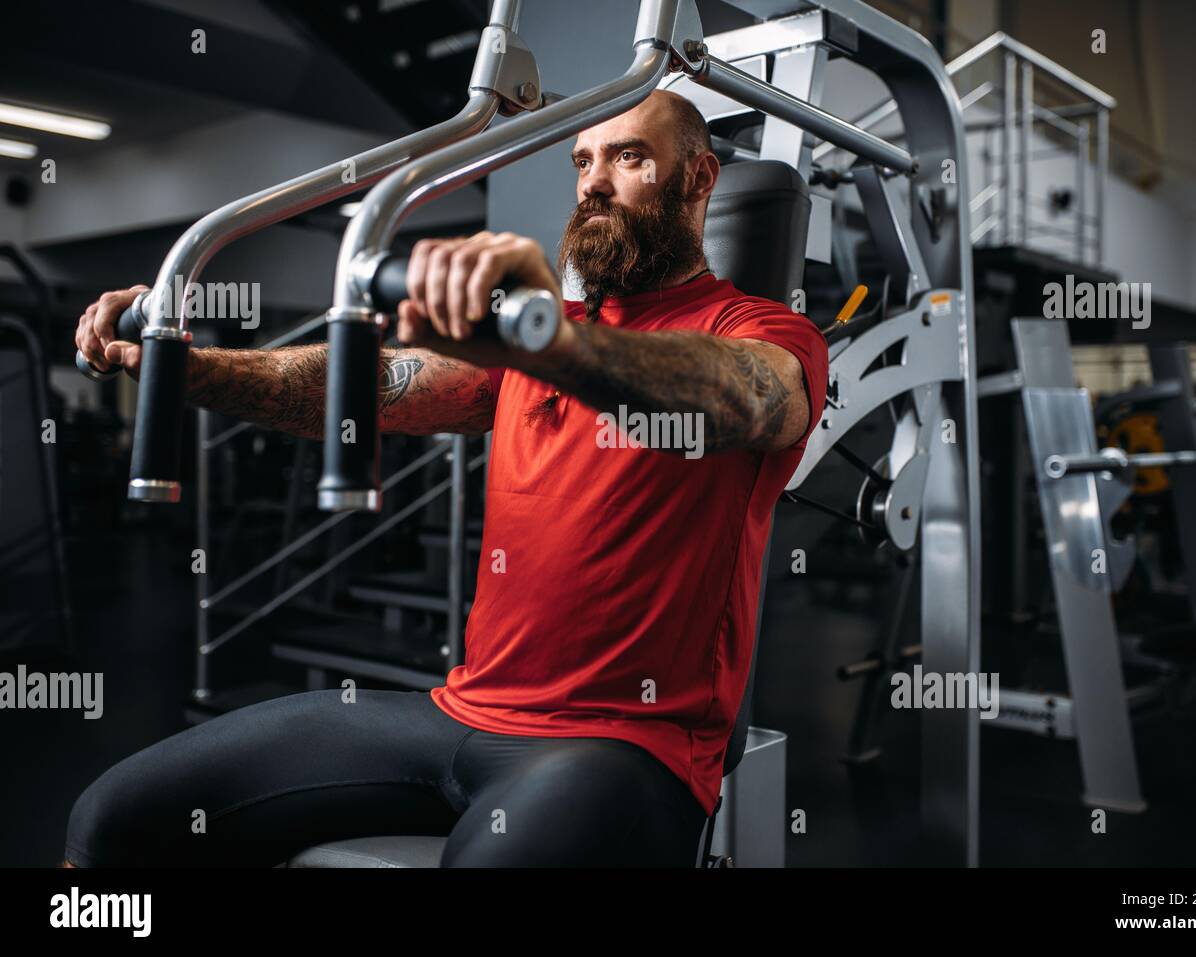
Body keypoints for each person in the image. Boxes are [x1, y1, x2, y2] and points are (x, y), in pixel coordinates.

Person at [65, 89, 829, 867]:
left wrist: (550, 341)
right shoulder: (527, 346)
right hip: (458, 712)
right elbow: (369, 381)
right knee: (115, 817)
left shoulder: (763, 332)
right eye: (582, 161)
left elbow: (735, 395)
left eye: (628, 157)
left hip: (624, 744)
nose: (593, 181)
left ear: (700, 180)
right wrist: (182, 367)